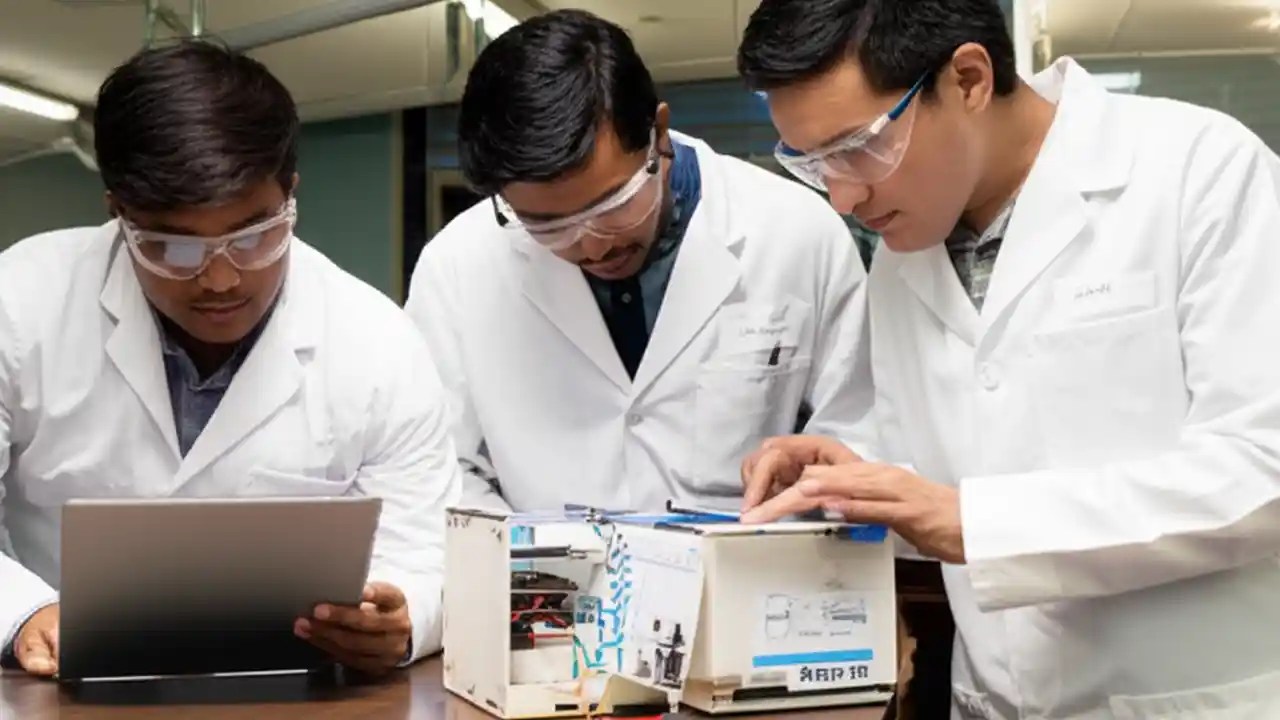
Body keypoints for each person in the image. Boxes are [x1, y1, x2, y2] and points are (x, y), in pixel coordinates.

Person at [736, 0, 1280, 718]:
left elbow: (1261, 468)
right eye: (811, 163)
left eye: (858, 148)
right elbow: (965, 451)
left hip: (1187, 699)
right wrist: (857, 475)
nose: (842, 196)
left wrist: (976, 525)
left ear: (967, 79)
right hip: (992, 698)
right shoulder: (903, 258)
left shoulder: (1200, 171)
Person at [0, 41, 461, 679]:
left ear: (290, 195)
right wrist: (21, 613)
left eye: (255, 237)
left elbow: (429, 553)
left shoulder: (376, 341)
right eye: (174, 248)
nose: (221, 280)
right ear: (118, 212)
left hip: (296, 688)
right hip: (55, 685)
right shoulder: (20, 304)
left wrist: (405, 619)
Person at [404, 9, 876, 514]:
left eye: (611, 207)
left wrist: (808, 497)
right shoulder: (457, 267)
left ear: (660, 135)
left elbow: (862, 429)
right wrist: (517, 565)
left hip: (747, 576)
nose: (592, 247)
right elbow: (439, 465)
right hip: (536, 584)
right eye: (548, 227)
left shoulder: (796, 232)